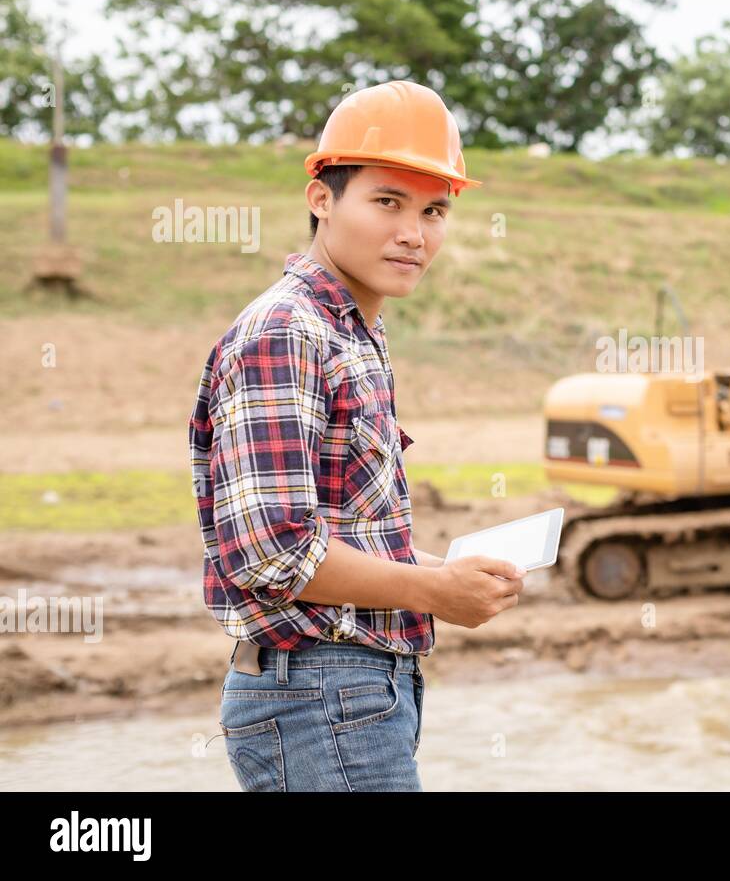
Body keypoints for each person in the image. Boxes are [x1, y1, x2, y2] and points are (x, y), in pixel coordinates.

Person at [189, 81, 524, 791]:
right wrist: (434, 592)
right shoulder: (288, 332)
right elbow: (274, 554)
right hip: (319, 693)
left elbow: (341, 532)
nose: (414, 233)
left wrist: (449, 571)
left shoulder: (353, 332)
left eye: (434, 210)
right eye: (387, 202)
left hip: (352, 693)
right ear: (321, 199)